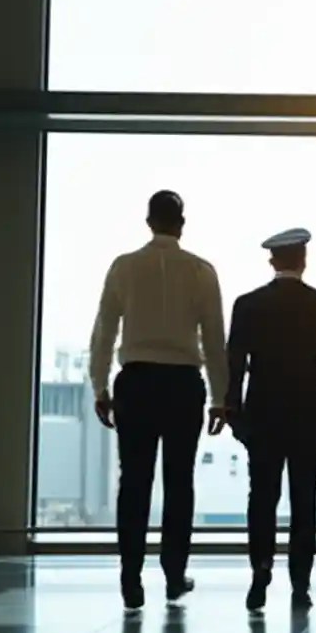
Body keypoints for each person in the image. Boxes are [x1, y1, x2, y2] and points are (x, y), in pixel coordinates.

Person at [88, 189, 228, 610]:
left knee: (133, 482)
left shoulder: (124, 267)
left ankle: (131, 578)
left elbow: (104, 333)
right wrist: (220, 397)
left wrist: (100, 386)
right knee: (179, 482)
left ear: (148, 222)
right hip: (184, 383)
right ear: (181, 224)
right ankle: (173, 575)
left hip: (137, 381)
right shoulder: (202, 271)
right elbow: (215, 339)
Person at [226, 227, 316, 611]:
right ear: (304, 260)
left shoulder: (247, 305)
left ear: (272, 261)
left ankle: (260, 574)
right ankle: (300, 583)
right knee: (303, 499)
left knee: (261, 497)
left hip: (262, 414)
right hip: (307, 414)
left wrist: (234, 413)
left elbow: (235, 365)